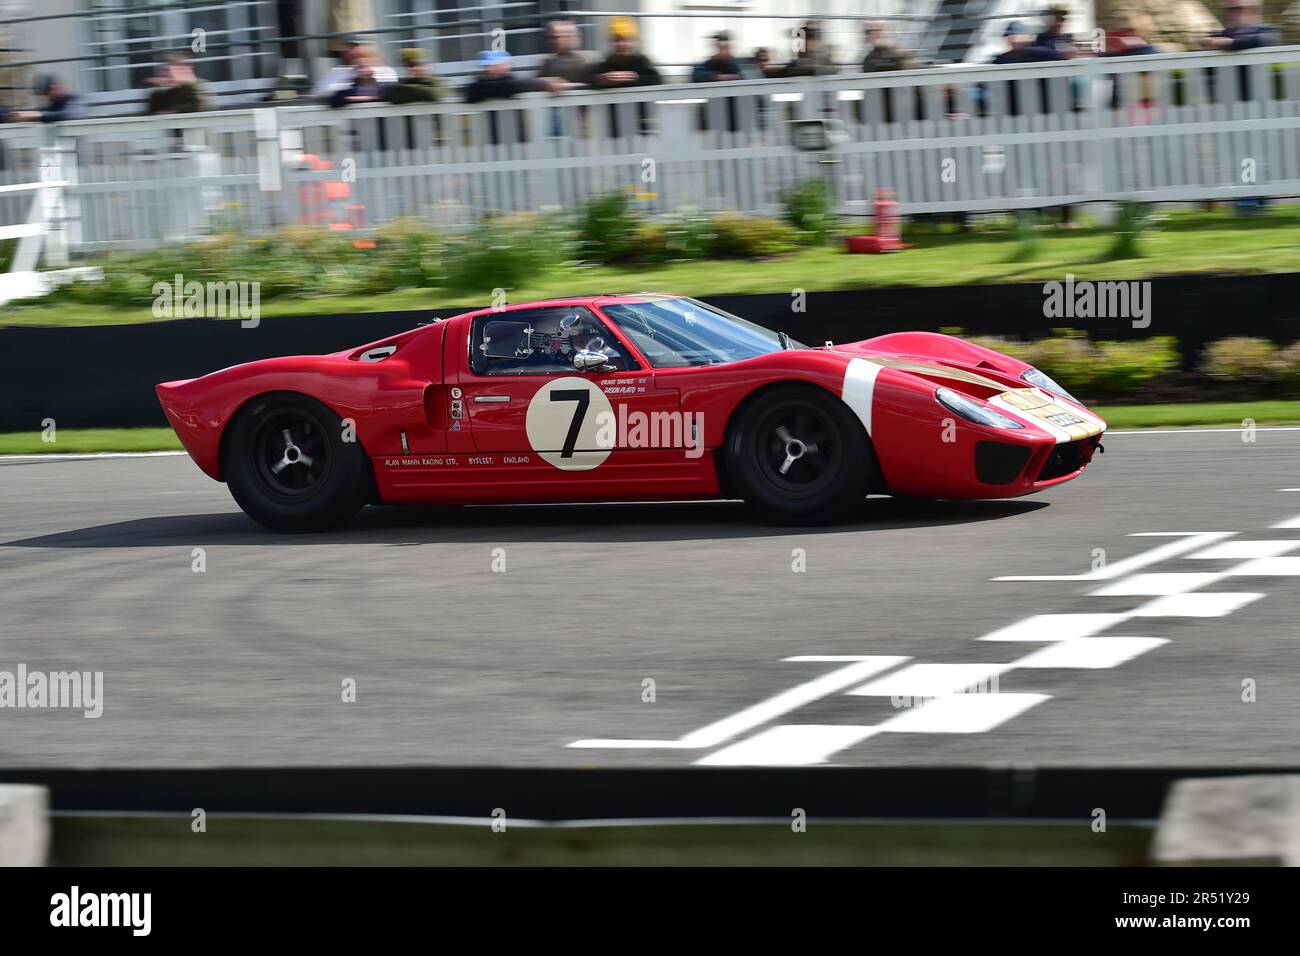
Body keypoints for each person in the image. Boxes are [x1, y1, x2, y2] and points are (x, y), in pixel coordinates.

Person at [587, 17, 661, 89]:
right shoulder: (606, 64)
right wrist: (601, 80)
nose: (621, 44)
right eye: (616, 40)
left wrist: (634, 77)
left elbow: (656, 79)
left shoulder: (641, 62)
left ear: (633, 41)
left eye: (625, 40)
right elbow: (588, 78)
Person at [463, 50, 552, 103]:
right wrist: (543, 84)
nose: (505, 67)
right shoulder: (477, 87)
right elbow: (508, 86)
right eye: (499, 64)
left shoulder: (509, 80)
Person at [1200, 0, 1280, 53]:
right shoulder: (1227, 32)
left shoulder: (1268, 31)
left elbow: (1255, 41)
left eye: (1239, 8)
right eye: (1231, 9)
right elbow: (1205, 42)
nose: (1237, 14)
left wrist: (1221, 43)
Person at [145, 53, 210, 115]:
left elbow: (197, 106)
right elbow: (153, 114)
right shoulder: (159, 94)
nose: (168, 73)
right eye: (166, 70)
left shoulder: (194, 88)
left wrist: (173, 111)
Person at [537, 18, 590, 91]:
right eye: (548, 37)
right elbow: (537, 83)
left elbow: (593, 83)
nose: (550, 42)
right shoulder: (548, 63)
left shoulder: (588, 60)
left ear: (569, 37)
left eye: (555, 37)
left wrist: (569, 86)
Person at [7, 75, 81, 123]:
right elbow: (50, 113)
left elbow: (69, 115)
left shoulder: (76, 98)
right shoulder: (56, 103)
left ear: (53, 88)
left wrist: (36, 115)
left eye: (47, 95)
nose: (48, 98)